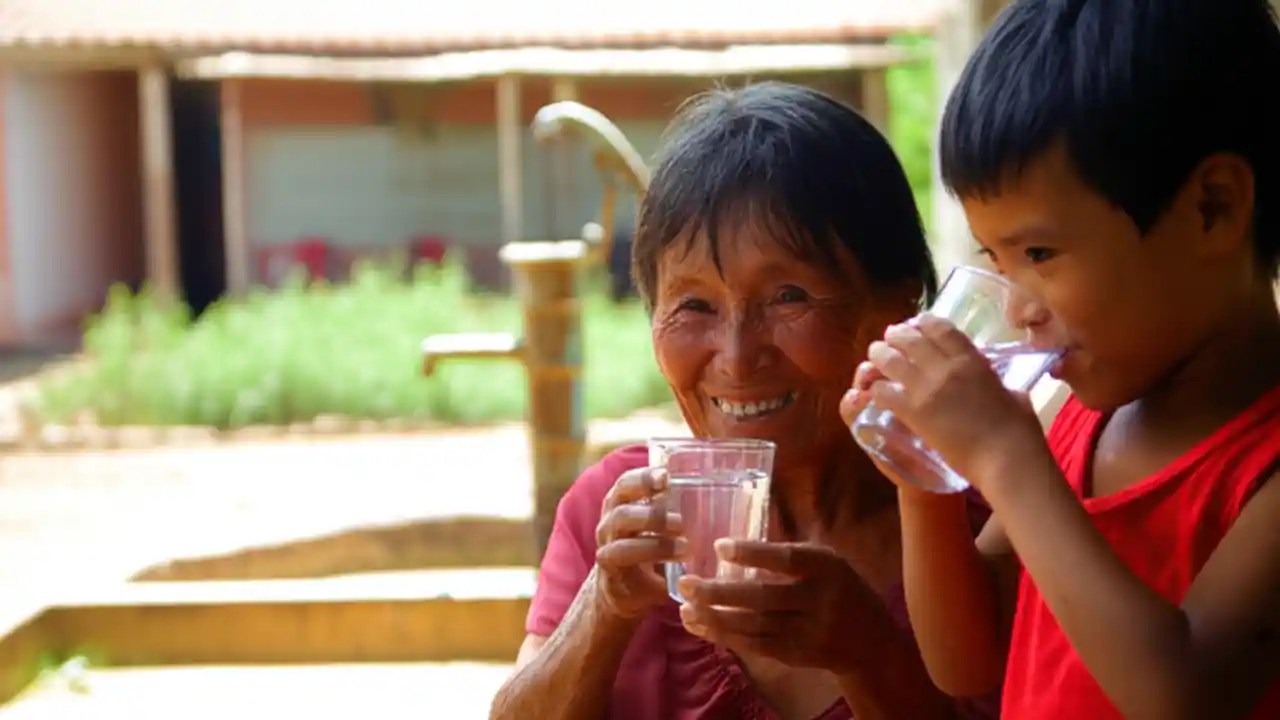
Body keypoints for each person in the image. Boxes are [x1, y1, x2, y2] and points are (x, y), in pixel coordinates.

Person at [490, 82, 998, 719]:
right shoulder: (616, 509)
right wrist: (604, 604)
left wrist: (869, 654)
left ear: (896, 307)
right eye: (694, 305)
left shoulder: (983, 528)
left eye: (789, 297)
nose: (735, 356)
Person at [841, 1, 1280, 718]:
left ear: (1212, 208)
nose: (1017, 308)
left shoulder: (1264, 466)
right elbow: (966, 660)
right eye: (996, 261)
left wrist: (1006, 457)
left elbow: (1183, 695)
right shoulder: (1081, 422)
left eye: (1039, 255)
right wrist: (924, 474)